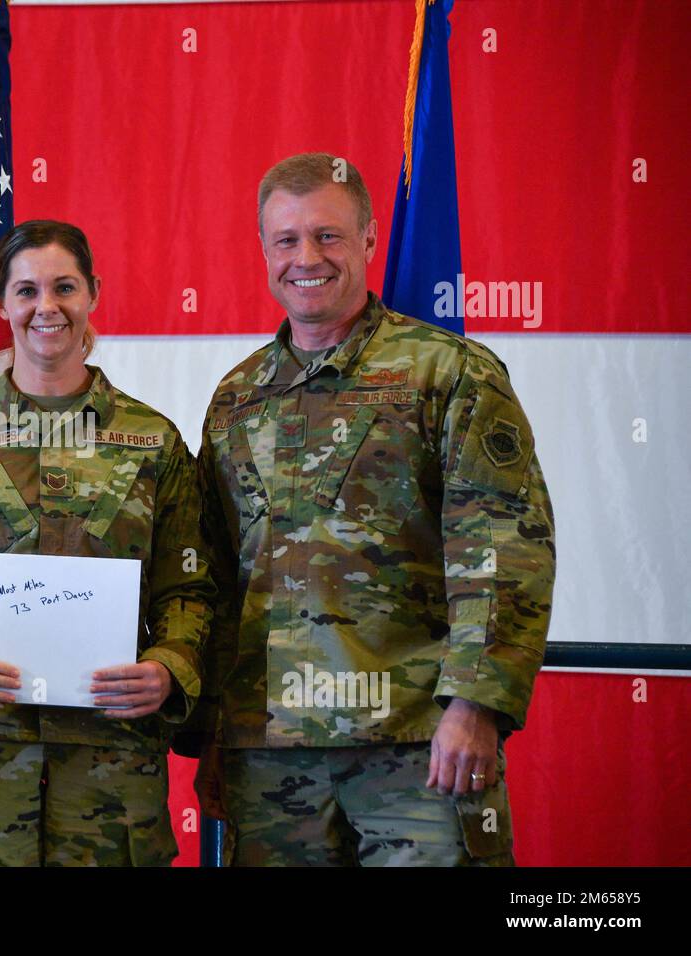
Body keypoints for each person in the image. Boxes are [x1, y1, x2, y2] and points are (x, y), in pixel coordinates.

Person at [186, 152, 555, 866]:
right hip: (271, 758)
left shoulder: (447, 372)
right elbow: (214, 572)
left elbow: (504, 547)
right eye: (286, 240)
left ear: (368, 240)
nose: (307, 258)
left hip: (418, 745)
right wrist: (212, 731)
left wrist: (476, 704)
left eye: (327, 235)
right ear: (264, 251)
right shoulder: (238, 398)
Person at [0, 220, 213, 866]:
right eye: (26, 291)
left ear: (94, 294)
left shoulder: (155, 443)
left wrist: (170, 665)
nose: (46, 308)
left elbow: (191, 589)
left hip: (111, 774)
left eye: (65, 287)